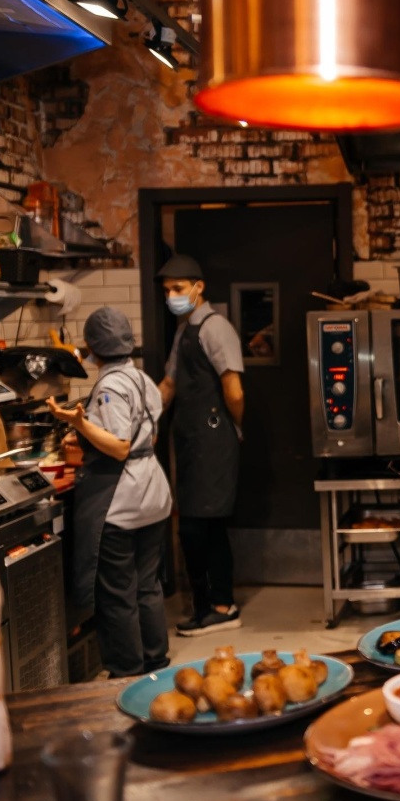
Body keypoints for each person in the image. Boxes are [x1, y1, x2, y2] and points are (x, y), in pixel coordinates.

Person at [49, 307, 172, 678]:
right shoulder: (142, 379)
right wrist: (88, 435)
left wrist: (78, 423)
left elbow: (119, 446)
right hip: (153, 494)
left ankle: (126, 673)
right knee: (147, 586)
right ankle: (155, 663)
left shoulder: (110, 387)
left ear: (93, 346)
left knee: (117, 593)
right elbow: (146, 438)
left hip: (123, 501)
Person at [156, 254, 246, 636]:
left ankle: (220, 606)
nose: (172, 296)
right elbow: (169, 384)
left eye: (177, 289)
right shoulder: (184, 331)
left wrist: (234, 427)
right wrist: (144, 416)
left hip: (213, 438)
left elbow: (234, 391)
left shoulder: (216, 328)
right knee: (197, 526)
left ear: (198, 287)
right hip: (191, 440)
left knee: (202, 525)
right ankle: (209, 605)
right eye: (167, 291)